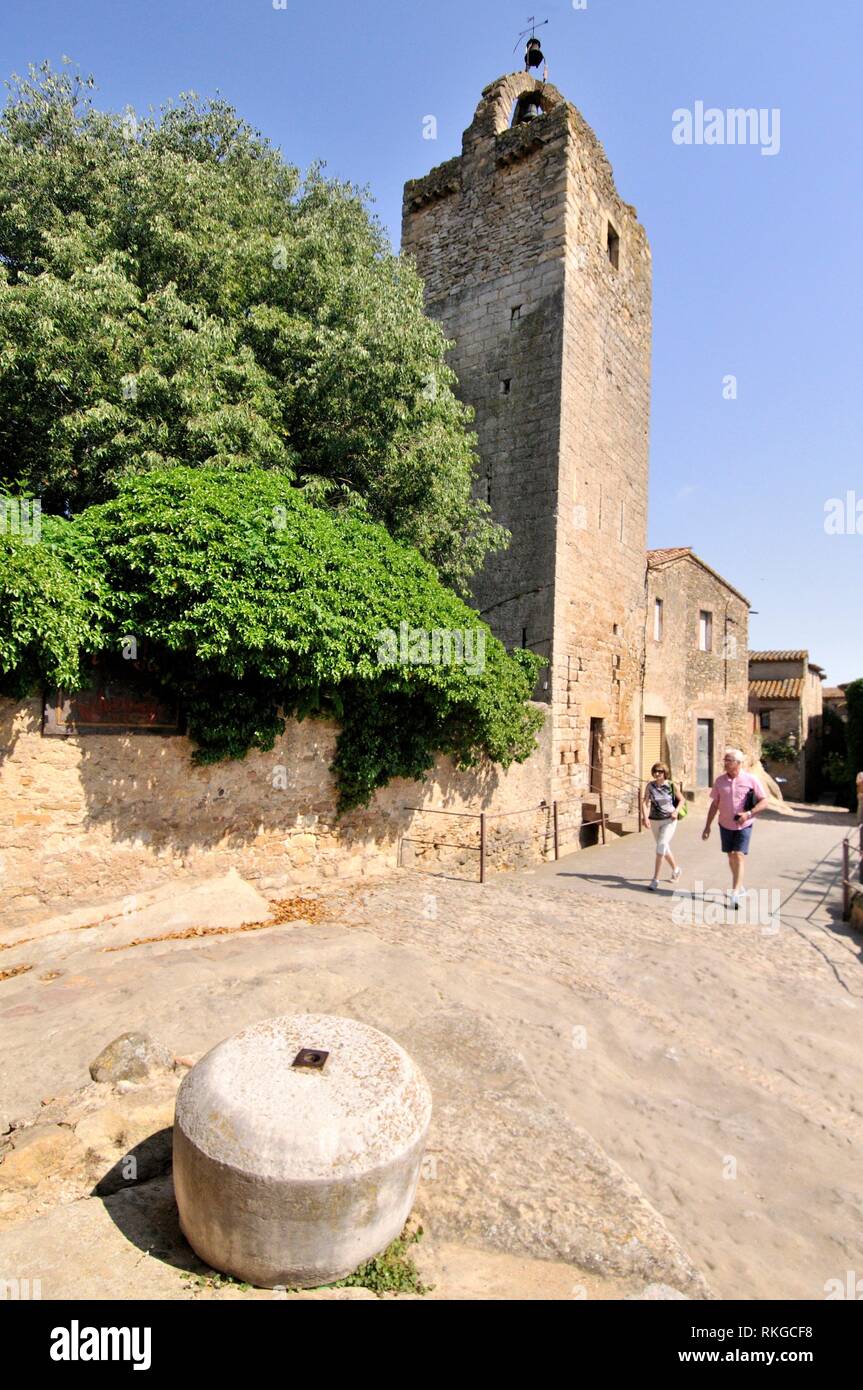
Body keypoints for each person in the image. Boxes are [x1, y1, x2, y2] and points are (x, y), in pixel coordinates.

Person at [702, 748, 769, 910]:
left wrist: (749, 813)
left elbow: (764, 801)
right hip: (725, 824)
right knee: (731, 856)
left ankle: (735, 892)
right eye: (725, 760)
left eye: (729, 760)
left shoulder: (750, 780)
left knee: (738, 855)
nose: (725, 763)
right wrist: (707, 826)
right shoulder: (719, 781)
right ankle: (739, 884)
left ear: (738, 763)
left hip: (744, 824)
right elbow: (714, 804)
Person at [641, 762, 682, 891]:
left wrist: (676, 811)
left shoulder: (671, 785)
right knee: (663, 847)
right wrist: (645, 817)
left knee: (660, 847)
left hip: (669, 820)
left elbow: (682, 799)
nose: (657, 773)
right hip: (654, 820)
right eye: (655, 771)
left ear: (665, 773)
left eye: (660, 771)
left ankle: (655, 879)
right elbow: (645, 801)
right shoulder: (650, 786)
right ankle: (676, 869)